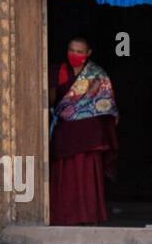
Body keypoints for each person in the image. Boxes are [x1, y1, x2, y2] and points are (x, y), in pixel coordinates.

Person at [49, 37, 118, 225]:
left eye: (79, 52)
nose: (75, 55)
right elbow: (50, 99)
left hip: (89, 134)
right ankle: (64, 216)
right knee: (65, 176)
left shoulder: (97, 74)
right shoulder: (59, 71)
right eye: (71, 50)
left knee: (87, 177)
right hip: (66, 131)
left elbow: (108, 105)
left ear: (88, 53)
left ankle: (89, 216)